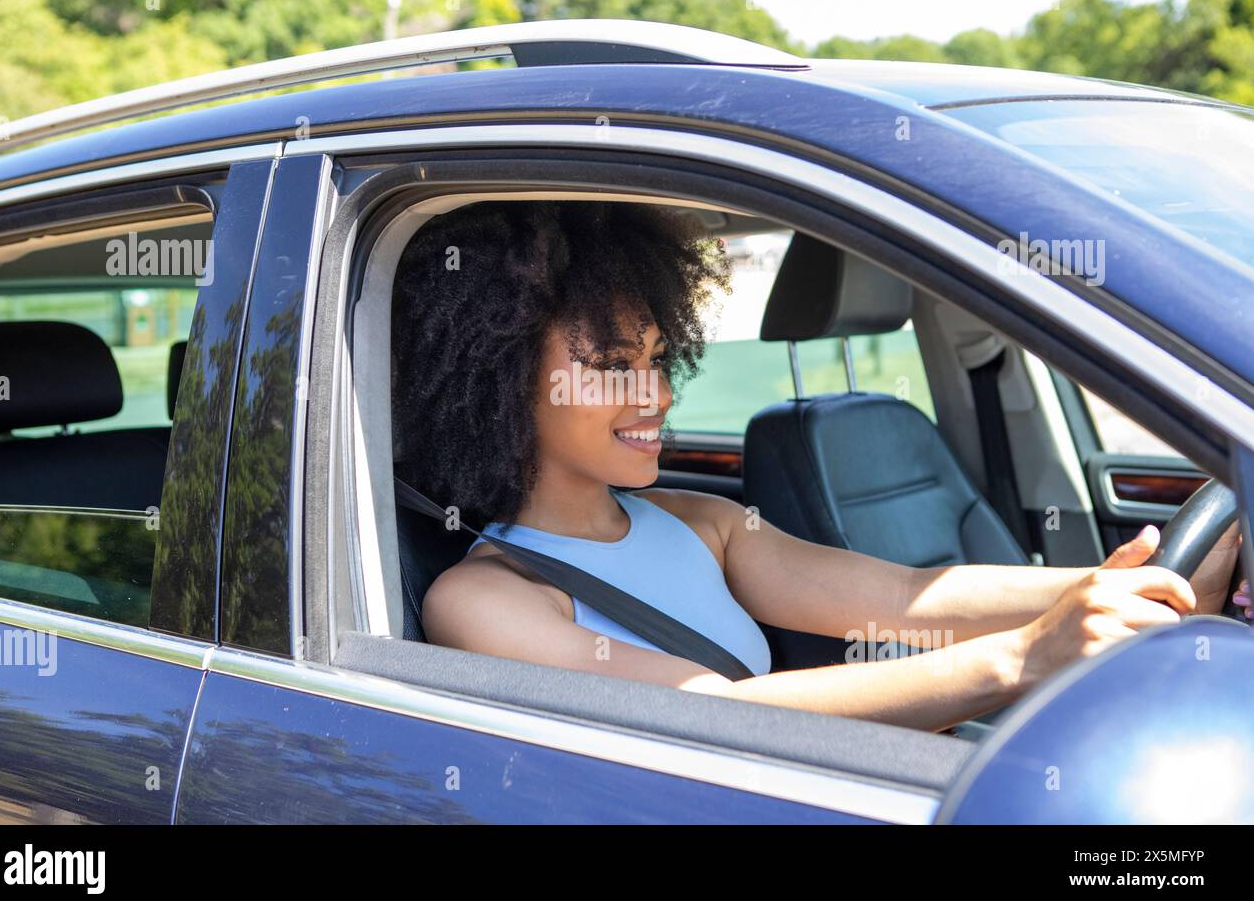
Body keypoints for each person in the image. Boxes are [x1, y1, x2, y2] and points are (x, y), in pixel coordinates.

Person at [390, 199, 1242, 733]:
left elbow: (898, 598)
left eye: (657, 357)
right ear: (500, 379)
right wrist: (1020, 659)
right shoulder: (481, 598)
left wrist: (1118, 587)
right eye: (613, 364)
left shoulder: (703, 522)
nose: (654, 393)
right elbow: (707, 714)